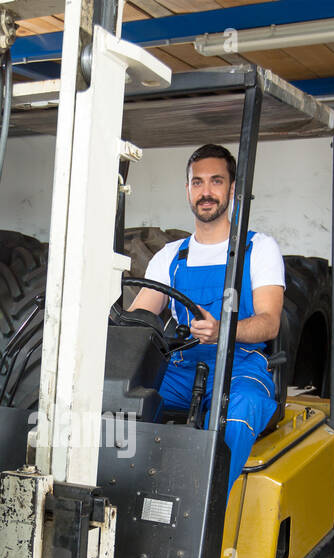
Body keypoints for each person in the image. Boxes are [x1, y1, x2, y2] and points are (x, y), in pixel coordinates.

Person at [127, 143, 285, 492]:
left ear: (232, 189)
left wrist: (223, 330)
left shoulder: (258, 248)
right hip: (182, 368)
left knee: (237, 411)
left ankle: (202, 514)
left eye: (216, 181)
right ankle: (123, 497)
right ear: (188, 190)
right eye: (197, 183)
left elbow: (269, 321)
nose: (206, 192)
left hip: (240, 367)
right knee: (123, 400)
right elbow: (139, 317)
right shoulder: (171, 256)